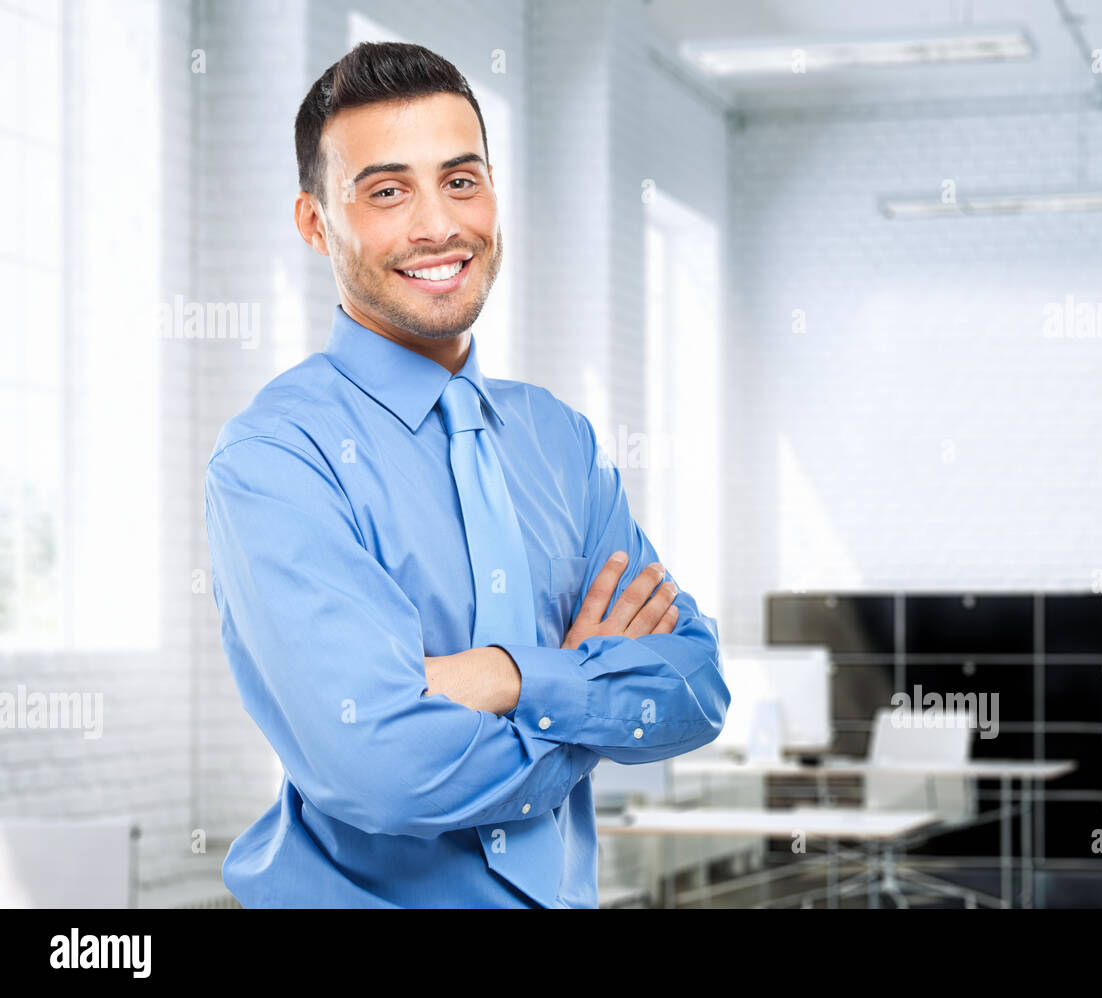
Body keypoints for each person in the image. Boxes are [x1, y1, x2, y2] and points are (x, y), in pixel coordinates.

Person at [203, 40, 728, 908]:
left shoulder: (559, 442)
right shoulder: (277, 459)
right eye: (385, 191)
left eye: (461, 179)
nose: (437, 226)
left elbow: (696, 688)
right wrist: (587, 693)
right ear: (314, 223)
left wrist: (502, 676)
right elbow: (384, 771)